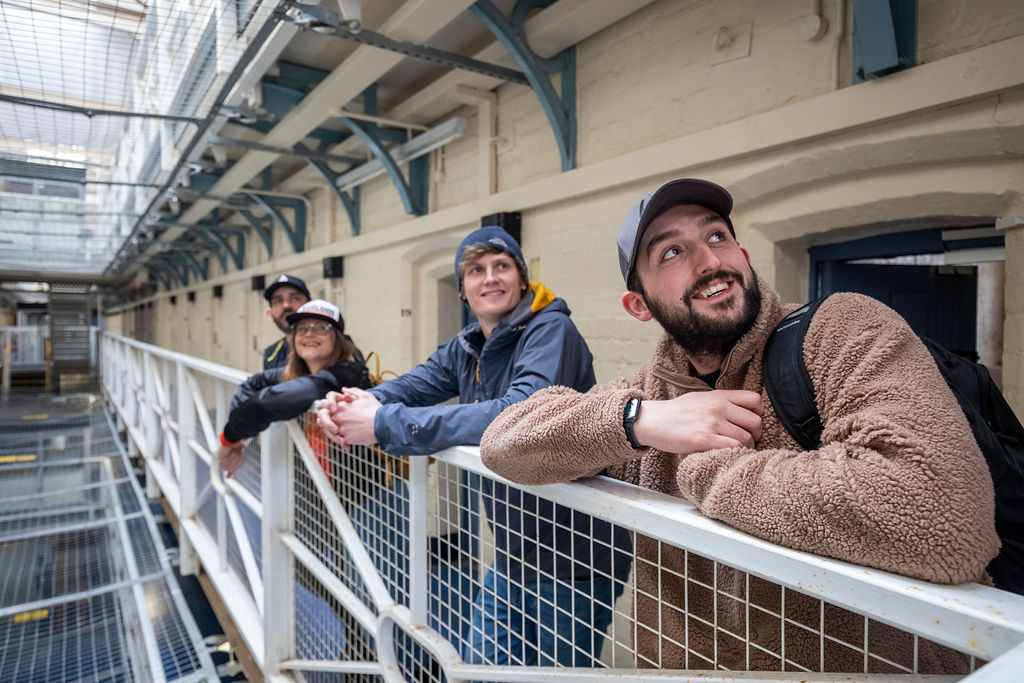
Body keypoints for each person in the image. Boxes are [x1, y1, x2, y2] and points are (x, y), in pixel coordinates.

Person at [479, 178, 1000, 672]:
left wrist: (713, 471)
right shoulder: (653, 391)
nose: (709, 260)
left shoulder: (840, 330)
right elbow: (503, 442)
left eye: (716, 236)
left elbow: (943, 515)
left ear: (743, 257)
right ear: (638, 305)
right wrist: (640, 421)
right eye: (672, 252)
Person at [316, 226, 633, 667]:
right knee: (478, 666)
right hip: (512, 551)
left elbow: (516, 413)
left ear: (522, 279)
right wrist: (360, 402)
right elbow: (417, 383)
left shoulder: (550, 330)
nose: (490, 278)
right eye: (476, 270)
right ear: (463, 289)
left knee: (557, 675)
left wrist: (384, 423)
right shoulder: (469, 346)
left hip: (571, 555)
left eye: (502, 266)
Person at [218, 299, 370, 475]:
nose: (309, 333)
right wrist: (240, 438)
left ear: (338, 337)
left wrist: (229, 438)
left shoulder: (348, 373)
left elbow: (265, 403)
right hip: (312, 486)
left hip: (364, 491)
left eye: (321, 327)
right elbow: (252, 384)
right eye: (302, 328)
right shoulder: (297, 372)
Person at [261, 274, 311, 369]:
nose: (286, 305)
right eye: (278, 301)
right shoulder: (271, 355)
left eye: (295, 298)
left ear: (310, 306)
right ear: (270, 314)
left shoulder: (331, 345)